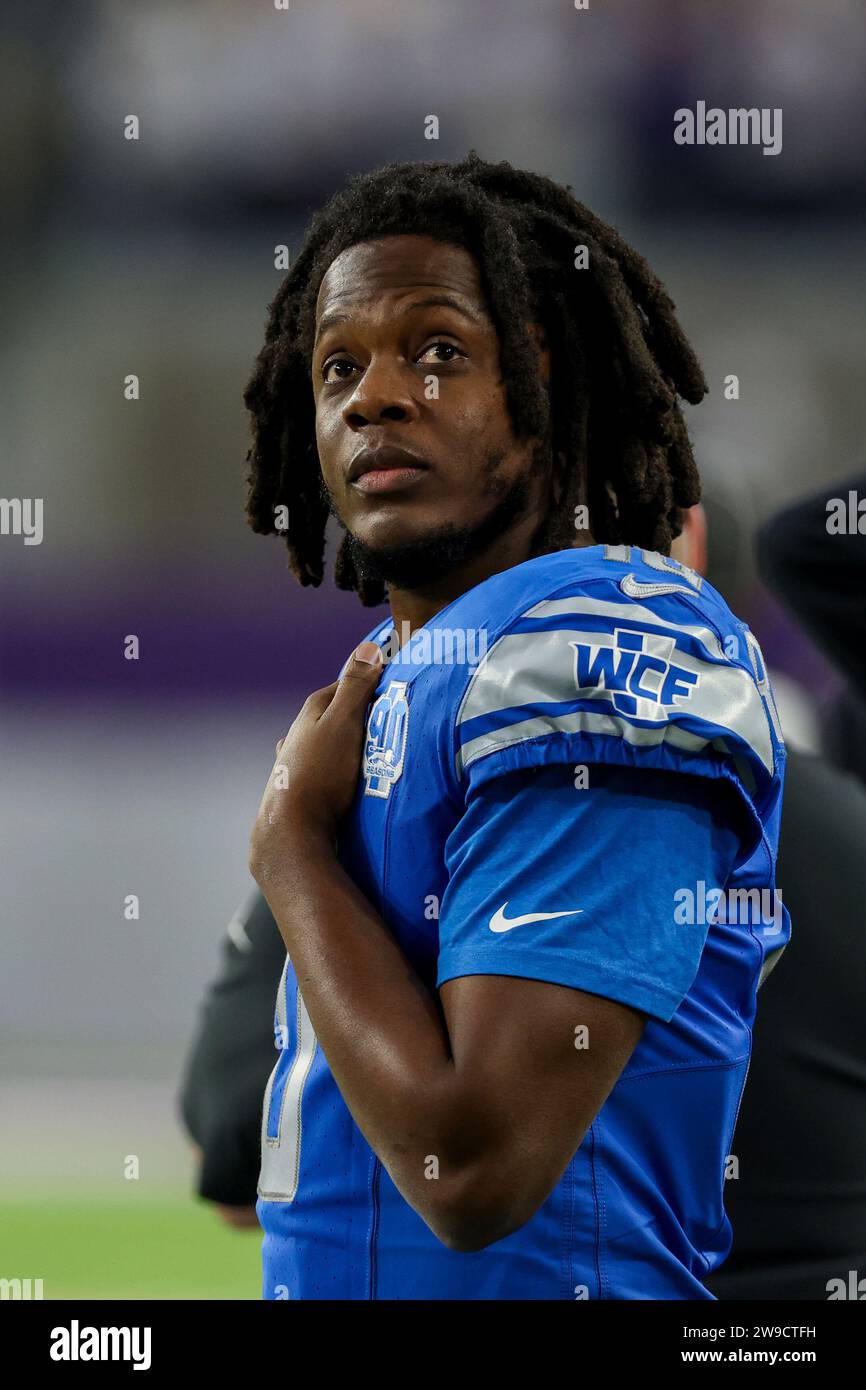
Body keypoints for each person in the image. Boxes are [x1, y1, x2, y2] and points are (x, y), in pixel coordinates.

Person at [216, 153, 790, 1300]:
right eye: (339, 366)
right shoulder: (405, 674)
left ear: (542, 380)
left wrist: (289, 849)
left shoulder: (602, 643)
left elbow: (470, 1166)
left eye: (436, 351)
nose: (373, 396)